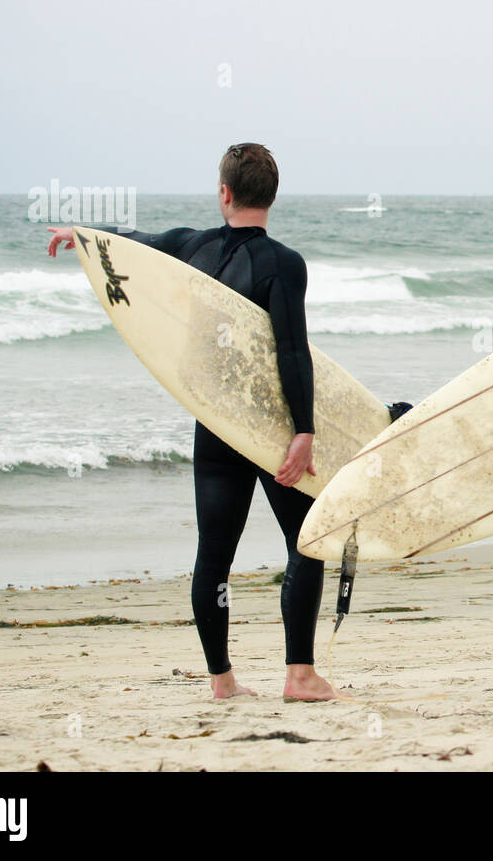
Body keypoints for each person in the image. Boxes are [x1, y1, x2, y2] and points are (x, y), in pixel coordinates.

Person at [47, 143, 338, 701]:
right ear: (271, 196)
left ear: (224, 193)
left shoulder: (190, 247)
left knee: (214, 556)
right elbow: (290, 351)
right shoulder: (284, 264)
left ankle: (222, 681)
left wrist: (82, 234)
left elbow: (133, 245)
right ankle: (299, 675)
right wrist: (304, 429)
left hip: (214, 424)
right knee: (305, 545)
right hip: (270, 431)